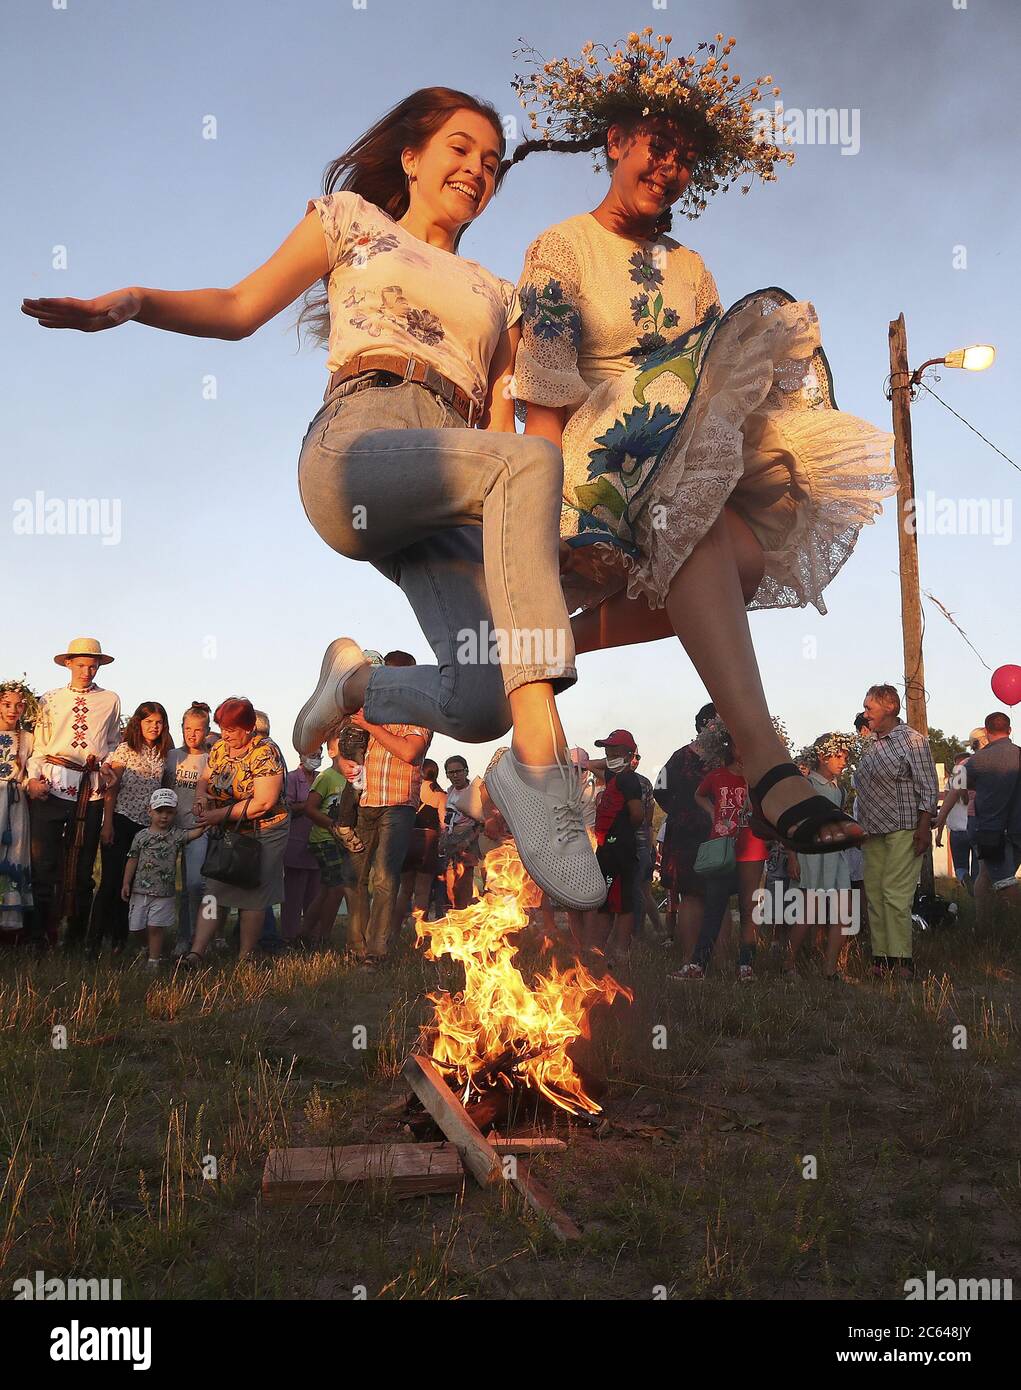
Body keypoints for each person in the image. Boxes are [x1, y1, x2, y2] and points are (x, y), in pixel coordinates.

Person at [509, 31, 893, 859]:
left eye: (684, 160)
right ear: (614, 142)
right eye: (657, 147)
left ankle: (543, 648)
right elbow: (540, 384)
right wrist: (532, 518)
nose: (668, 169)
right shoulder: (559, 247)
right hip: (593, 459)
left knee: (743, 557)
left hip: (679, 451)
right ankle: (767, 766)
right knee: (711, 548)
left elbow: (715, 378)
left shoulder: (692, 266)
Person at [26, 638, 121, 948]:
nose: (87, 670)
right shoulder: (49, 700)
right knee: (44, 865)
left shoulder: (110, 699)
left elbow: (111, 743)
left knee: (82, 871)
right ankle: (41, 936)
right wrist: (33, 777)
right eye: (81, 664)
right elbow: (38, 746)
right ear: (68, 664)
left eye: (92, 665)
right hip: (52, 787)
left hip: (90, 791)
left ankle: (76, 938)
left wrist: (109, 766)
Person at [186, 697, 289, 964]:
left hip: (264, 829)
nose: (227, 735)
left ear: (248, 727)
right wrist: (201, 799)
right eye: (223, 728)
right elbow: (205, 780)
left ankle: (246, 956)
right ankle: (196, 952)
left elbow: (262, 803)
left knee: (252, 893)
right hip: (228, 829)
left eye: (232, 730)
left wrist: (215, 816)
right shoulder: (219, 748)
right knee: (213, 890)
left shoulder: (266, 752)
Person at [672, 716, 769, 982]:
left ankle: (745, 965)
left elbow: (758, 808)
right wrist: (714, 812)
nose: (744, 748)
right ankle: (698, 964)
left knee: (749, 905)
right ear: (729, 746)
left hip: (751, 845)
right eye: (739, 743)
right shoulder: (716, 776)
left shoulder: (756, 778)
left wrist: (751, 784)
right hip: (721, 844)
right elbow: (698, 795)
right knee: (715, 903)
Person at [854, 685, 939, 980]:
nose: (865, 714)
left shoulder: (912, 741)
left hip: (904, 826)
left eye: (870, 708)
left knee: (895, 892)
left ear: (890, 706)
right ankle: (882, 957)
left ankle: (903, 959)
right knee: (875, 893)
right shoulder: (868, 744)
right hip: (872, 828)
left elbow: (928, 786)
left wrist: (923, 827)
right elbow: (860, 788)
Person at [346, 692, 431, 964]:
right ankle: (357, 946)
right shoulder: (368, 710)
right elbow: (343, 749)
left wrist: (371, 726)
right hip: (365, 801)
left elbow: (410, 751)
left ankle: (376, 950)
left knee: (384, 876)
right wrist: (343, 764)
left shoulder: (417, 715)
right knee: (354, 877)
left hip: (398, 804)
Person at [88, 702, 171, 957]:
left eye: (158, 722)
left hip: (145, 828)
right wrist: (108, 823)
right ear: (139, 723)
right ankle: (93, 940)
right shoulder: (125, 750)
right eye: (148, 722)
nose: (153, 727)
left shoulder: (163, 755)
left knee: (132, 885)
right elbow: (112, 788)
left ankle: (119, 939)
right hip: (121, 820)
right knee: (111, 881)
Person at [784, 733, 857, 981]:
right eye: (837, 756)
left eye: (845, 757)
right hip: (812, 855)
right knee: (809, 912)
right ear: (821, 756)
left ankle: (830, 969)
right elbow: (792, 824)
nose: (842, 762)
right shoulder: (808, 785)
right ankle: (789, 963)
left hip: (835, 856)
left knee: (844, 911)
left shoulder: (839, 789)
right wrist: (792, 856)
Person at [654, 703, 715, 954]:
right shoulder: (680, 757)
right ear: (705, 725)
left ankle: (714, 959)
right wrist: (680, 812)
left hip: (715, 834)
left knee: (713, 895)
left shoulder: (725, 760)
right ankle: (691, 956)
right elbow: (660, 789)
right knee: (690, 894)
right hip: (687, 835)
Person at [121, 789, 205, 969]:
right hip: (139, 890)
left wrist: (207, 818)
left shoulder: (176, 835)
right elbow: (132, 858)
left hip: (164, 893)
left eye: (169, 812)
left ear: (174, 814)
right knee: (136, 927)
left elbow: (195, 834)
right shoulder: (141, 836)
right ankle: (147, 946)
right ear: (150, 811)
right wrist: (126, 882)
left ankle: (154, 961)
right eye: (159, 811)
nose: (164, 817)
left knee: (156, 927)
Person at [590, 729, 646, 957]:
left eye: (615, 749)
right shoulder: (614, 777)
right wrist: (608, 760)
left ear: (629, 753)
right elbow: (590, 765)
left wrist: (622, 830)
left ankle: (622, 949)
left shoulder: (629, 779)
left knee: (623, 902)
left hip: (621, 849)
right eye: (607, 749)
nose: (609, 753)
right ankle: (600, 948)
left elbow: (637, 814)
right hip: (607, 850)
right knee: (604, 901)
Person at [962, 712, 1021, 924]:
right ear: (1010, 730)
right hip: (1017, 827)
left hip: (992, 830)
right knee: (986, 877)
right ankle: (984, 926)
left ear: (987, 731)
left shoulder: (978, 760)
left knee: (1005, 883)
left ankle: (1013, 929)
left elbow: (961, 783)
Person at [162, 701, 211, 956]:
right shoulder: (172, 756)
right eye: (188, 729)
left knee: (194, 884)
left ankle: (194, 936)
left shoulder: (211, 759)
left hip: (198, 830)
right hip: (171, 829)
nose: (193, 734)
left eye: (198, 729)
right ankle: (175, 937)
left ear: (207, 730)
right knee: (170, 886)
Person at [303, 737, 358, 951]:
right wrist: (332, 825)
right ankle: (322, 936)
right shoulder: (326, 777)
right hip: (324, 838)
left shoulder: (352, 777)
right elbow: (310, 808)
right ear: (333, 750)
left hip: (342, 840)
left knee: (326, 889)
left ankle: (305, 932)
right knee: (337, 888)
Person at [0, 679, 36, 941]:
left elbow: (31, 770)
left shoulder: (28, 739)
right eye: (6, 704)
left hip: (16, 802)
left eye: (19, 705)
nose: (13, 710)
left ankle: (9, 925)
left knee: (14, 854)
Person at [279, 752, 323, 944]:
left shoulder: (322, 778)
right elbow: (286, 807)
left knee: (314, 895)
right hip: (296, 842)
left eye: (318, 754)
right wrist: (310, 806)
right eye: (312, 754)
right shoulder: (292, 778)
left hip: (318, 842)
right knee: (293, 896)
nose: (316, 757)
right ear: (301, 754)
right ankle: (290, 937)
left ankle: (311, 936)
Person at [441, 754, 485, 910]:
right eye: (451, 773)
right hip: (451, 838)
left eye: (458, 771)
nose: (455, 775)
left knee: (465, 879)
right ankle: (456, 911)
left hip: (469, 838)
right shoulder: (450, 791)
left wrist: (468, 840)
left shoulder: (475, 792)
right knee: (451, 881)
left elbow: (482, 821)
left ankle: (463, 911)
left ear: (466, 771)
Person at [630, 750, 664, 938]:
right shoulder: (642, 782)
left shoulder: (642, 783)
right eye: (633, 756)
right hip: (642, 844)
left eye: (638, 757)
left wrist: (651, 845)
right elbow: (649, 818)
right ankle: (657, 930)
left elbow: (649, 819)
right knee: (643, 891)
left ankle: (641, 933)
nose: (636, 760)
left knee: (640, 891)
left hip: (639, 844)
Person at [934, 753, 978, 895]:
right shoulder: (978, 780)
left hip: (957, 833)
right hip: (976, 829)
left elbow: (945, 808)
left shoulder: (951, 782)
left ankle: (964, 879)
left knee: (960, 867)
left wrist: (939, 833)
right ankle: (977, 900)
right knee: (979, 871)